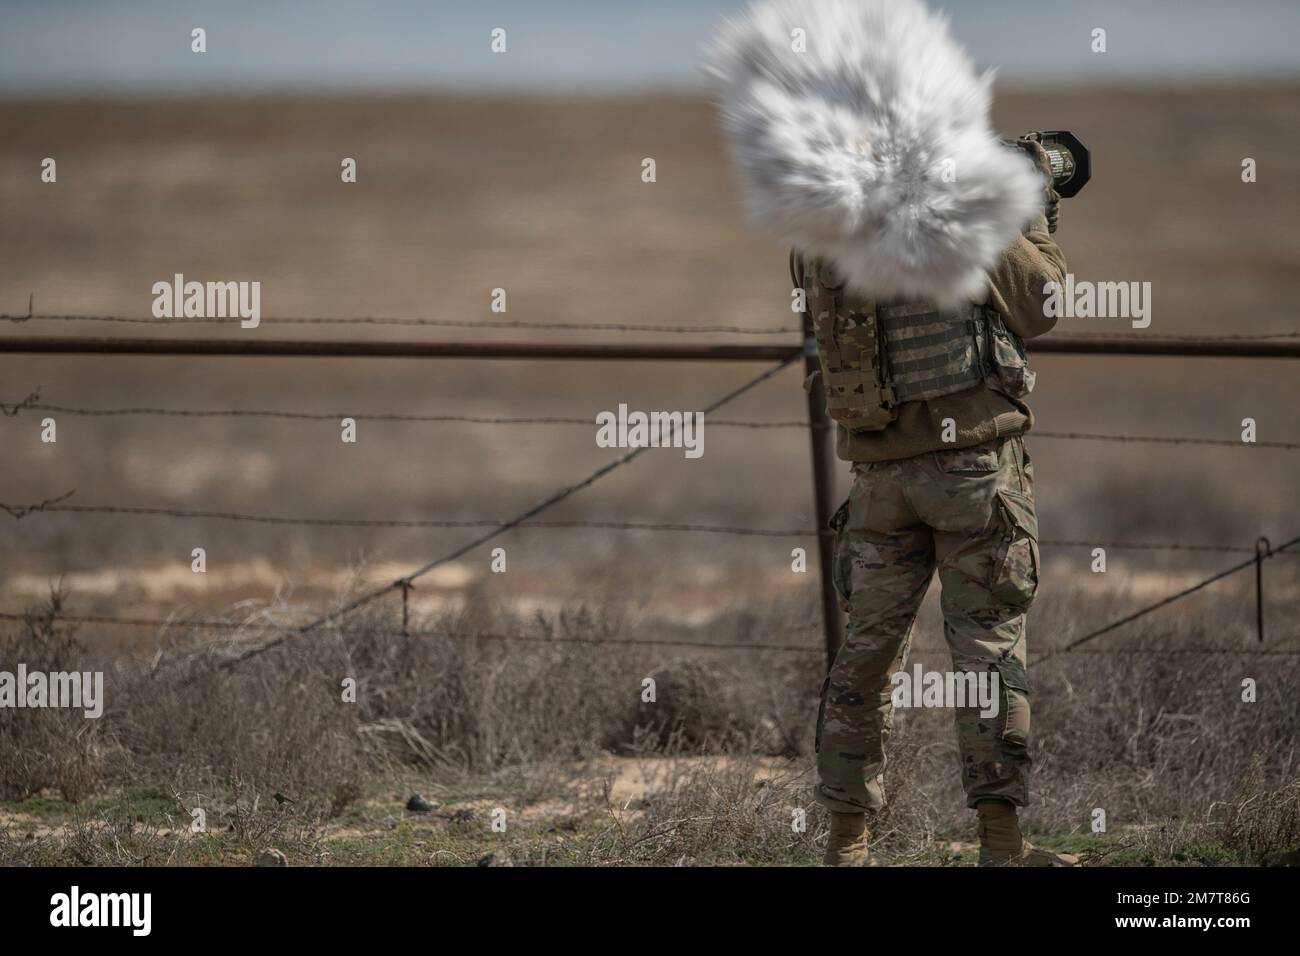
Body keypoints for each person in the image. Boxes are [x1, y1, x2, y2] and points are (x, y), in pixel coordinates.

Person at [803, 139, 1077, 866]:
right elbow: (1043, 305)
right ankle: (1001, 848)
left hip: (880, 476)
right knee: (986, 653)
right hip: (972, 474)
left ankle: (846, 845)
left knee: (865, 657)